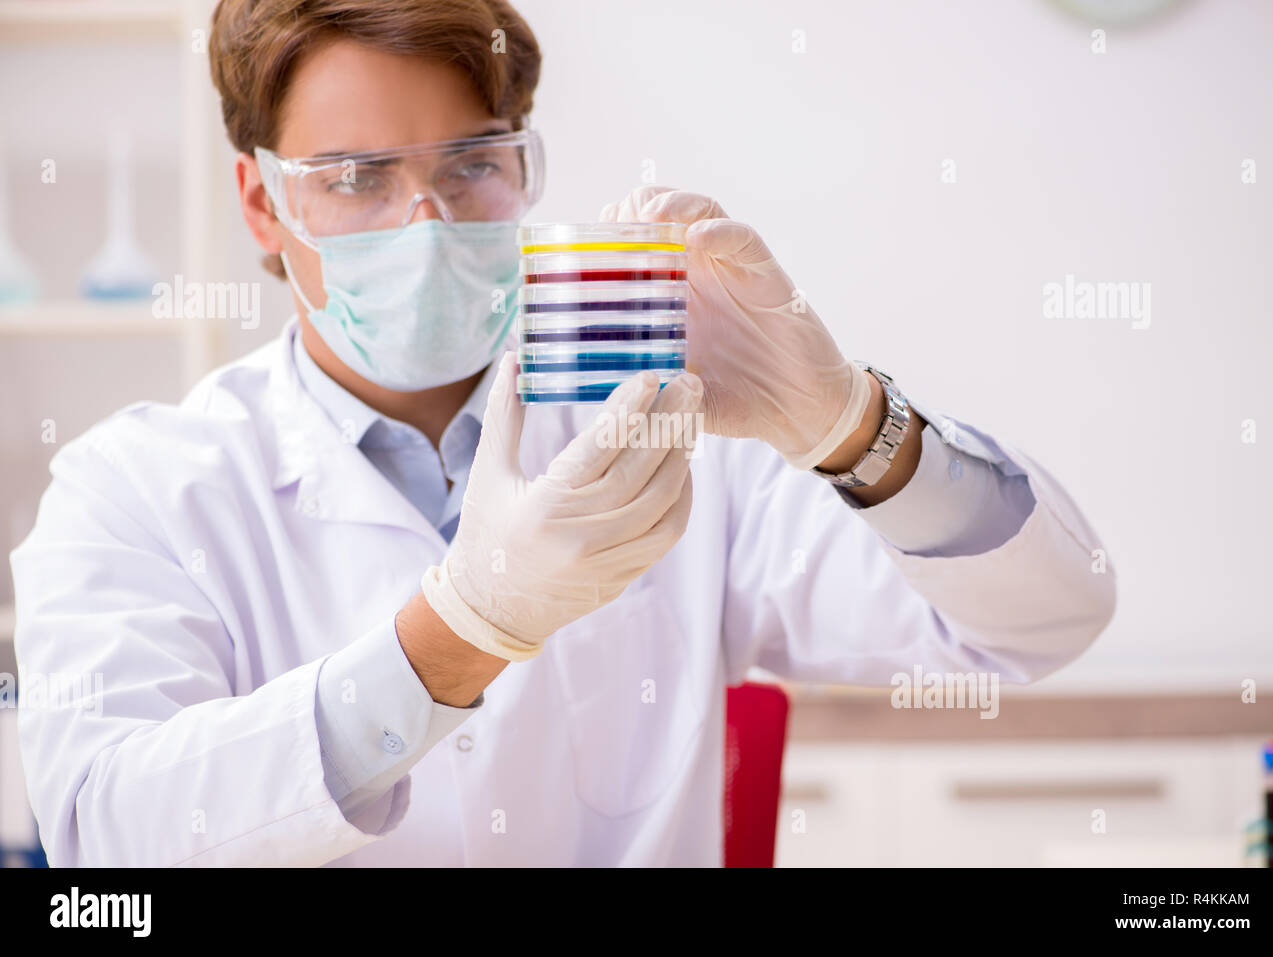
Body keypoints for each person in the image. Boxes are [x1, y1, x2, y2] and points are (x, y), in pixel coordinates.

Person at [10, 0, 1115, 866]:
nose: (425, 223)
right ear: (262, 205)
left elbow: (1041, 618)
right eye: (355, 179)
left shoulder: (670, 427)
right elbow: (108, 841)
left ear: (521, 167)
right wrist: (462, 629)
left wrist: (846, 421)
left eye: (471, 165)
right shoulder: (137, 489)